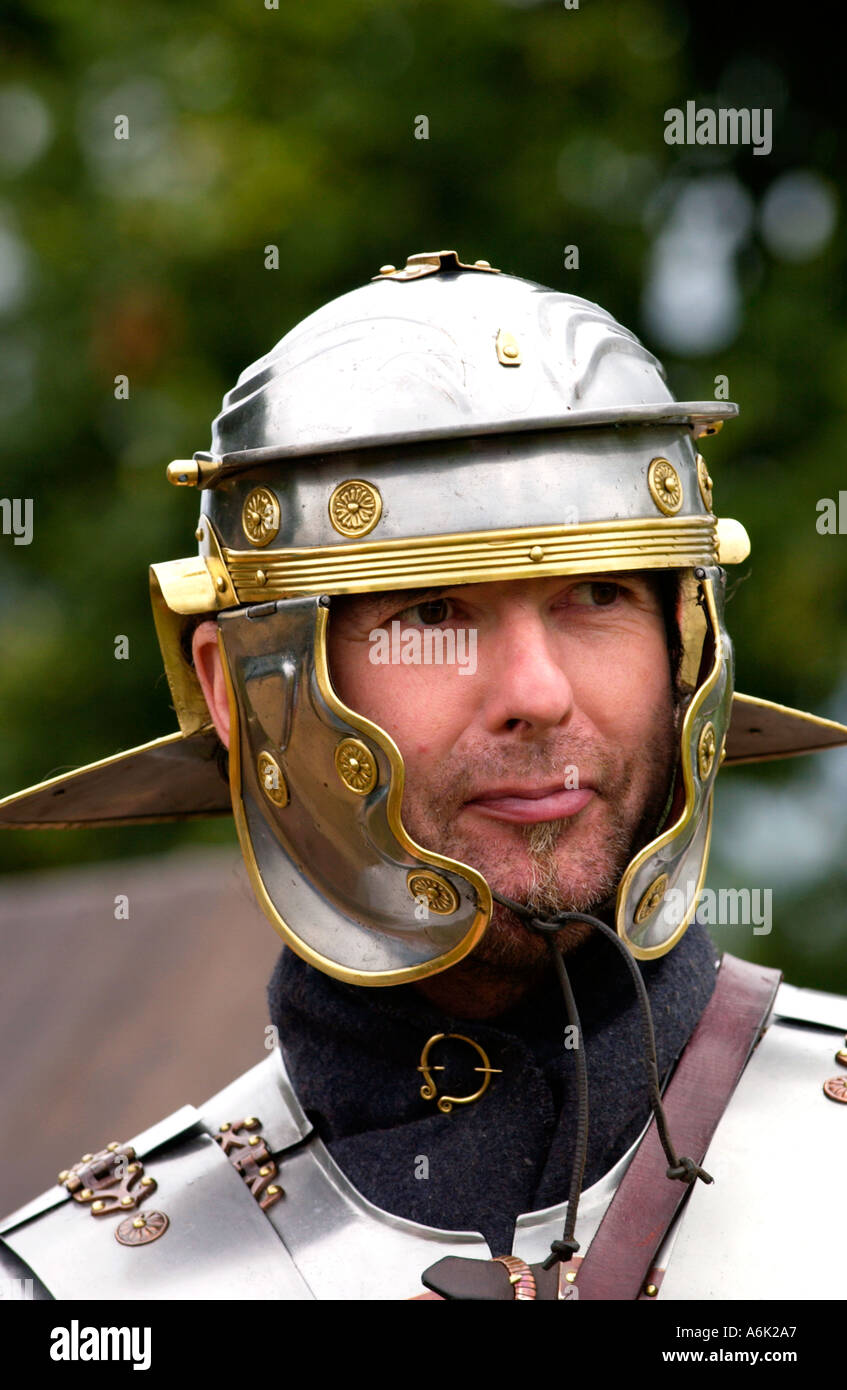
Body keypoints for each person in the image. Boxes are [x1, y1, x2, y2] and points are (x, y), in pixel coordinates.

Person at [2, 250, 846, 1301]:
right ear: (241, 689)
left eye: (595, 592)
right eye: (431, 614)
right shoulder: (84, 1293)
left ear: (686, 641)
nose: (535, 693)